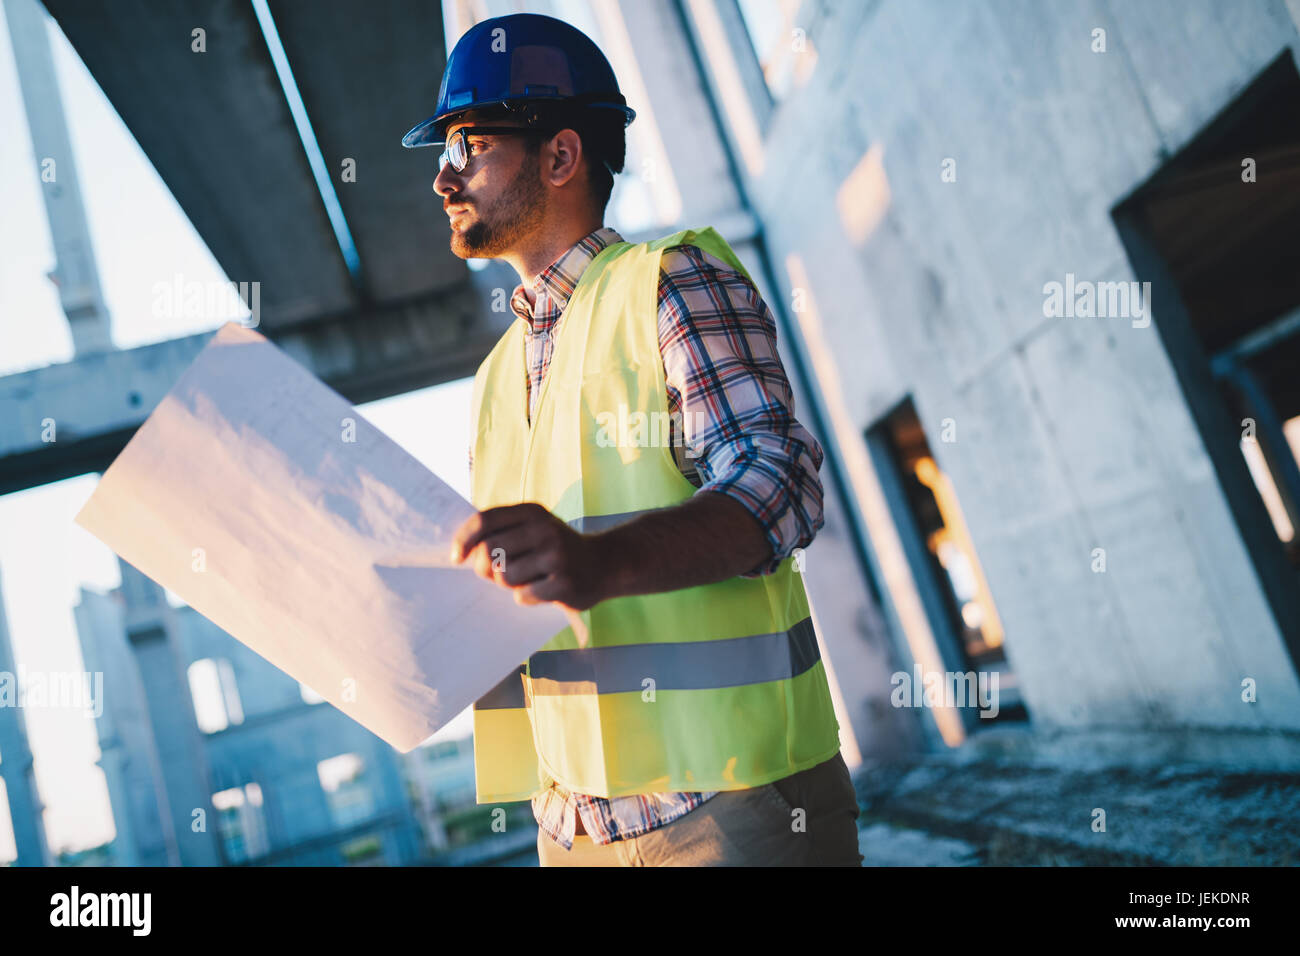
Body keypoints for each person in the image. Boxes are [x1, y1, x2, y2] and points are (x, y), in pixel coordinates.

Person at [403, 12, 862, 867]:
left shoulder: (670, 283)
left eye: (467, 144)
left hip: (731, 811)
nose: (443, 176)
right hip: (573, 833)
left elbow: (782, 482)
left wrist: (598, 562)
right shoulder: (498, 376)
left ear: (562, 156)